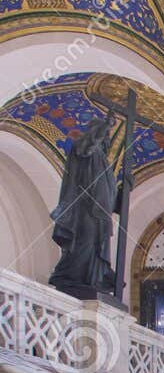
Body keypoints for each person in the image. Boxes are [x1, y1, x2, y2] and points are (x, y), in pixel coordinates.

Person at [49, 116, 118, 296]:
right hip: (84, 208)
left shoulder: (105, 162)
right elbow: (86, 148)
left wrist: (125, 187)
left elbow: (111, 196)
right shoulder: (84, 149)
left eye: (107, 136)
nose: (107, 139)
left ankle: (94, 279)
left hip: (101, 213)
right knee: (84, 241)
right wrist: (104, 126)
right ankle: (69, 277)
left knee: (97, 246)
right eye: (105, 135)